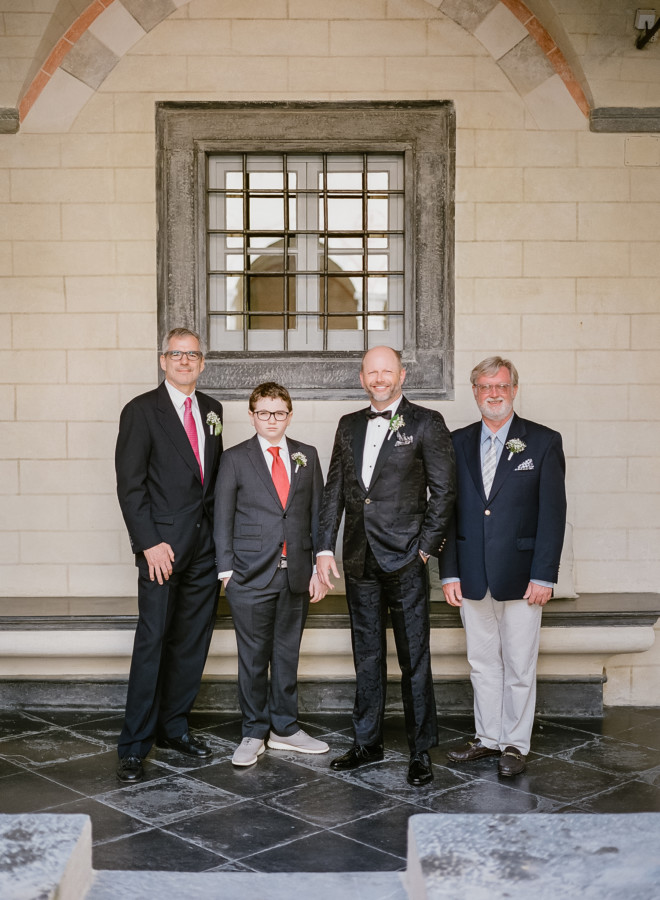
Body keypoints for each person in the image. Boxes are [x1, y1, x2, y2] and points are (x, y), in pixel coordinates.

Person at [316, 346, 456, 786]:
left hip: (406, 560)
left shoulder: (426, 423)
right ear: (362, 378)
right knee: (367, 655)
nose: (379, 378)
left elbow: (445, 492)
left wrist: (424, 549)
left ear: (402, 375)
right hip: (359, 558)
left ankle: (420, 751)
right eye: (371, 372)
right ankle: (367, 742)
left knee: (415, 657)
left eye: (386, 371)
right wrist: (324, 548)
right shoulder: (348, 425)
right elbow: (334, 490)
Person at [440, 356, 566, 776]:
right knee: (481, 662)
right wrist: (449, 571)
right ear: (475, 392)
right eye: (485, 387)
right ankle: (487, 737)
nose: (494, 394)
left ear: (514, 390)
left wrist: (544, 574)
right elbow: (447, 512)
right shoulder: (456, 442)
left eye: (502, 386)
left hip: (523, 576)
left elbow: (552, 514)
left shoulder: (544, 442)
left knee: (518, 663)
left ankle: (514, 743)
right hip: (472, 575)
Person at [114, 327, 224, 783]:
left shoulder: (212, 410)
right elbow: (130, 483)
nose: (184, 361)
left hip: (204, 550)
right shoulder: (141, 411)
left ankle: (174, 727)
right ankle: (134, 745)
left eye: (192, 355)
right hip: (161, 549)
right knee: (153, 640)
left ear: (202, 363)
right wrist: (148, 541)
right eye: (176, 354)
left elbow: (210, 482)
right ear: (163, 360)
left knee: (192, 640)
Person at [214, 382, 329, 767]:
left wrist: (316, 567)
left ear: (289, 415)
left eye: (279, 412)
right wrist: (226, 572)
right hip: (248, 575)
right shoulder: (234, 458)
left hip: (295, 573)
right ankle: (253, 731)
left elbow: (318, 517)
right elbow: (222, 518)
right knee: (252, 657)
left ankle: (285, 728)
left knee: (285, 655)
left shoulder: (307, 456)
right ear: (252, 416)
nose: (272, 419)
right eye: (264, 412)